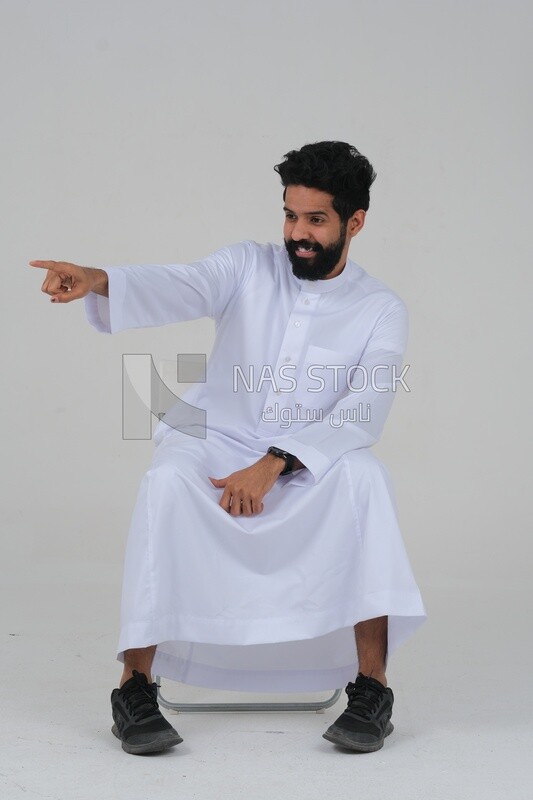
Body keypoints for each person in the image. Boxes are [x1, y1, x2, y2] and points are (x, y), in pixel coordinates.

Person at [31, 141, 426, 756]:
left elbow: (363, 409)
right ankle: (133, 687)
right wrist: (98, 279)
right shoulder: (247, 266)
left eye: (315, 220)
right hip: (212, 440)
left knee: (367, 480)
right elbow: (182, 283)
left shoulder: (381, 309)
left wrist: (275, 462)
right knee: (165, 482)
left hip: (307, 462)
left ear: (355, 223)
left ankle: (372, 688)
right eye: (290, 215)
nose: (297, 233)